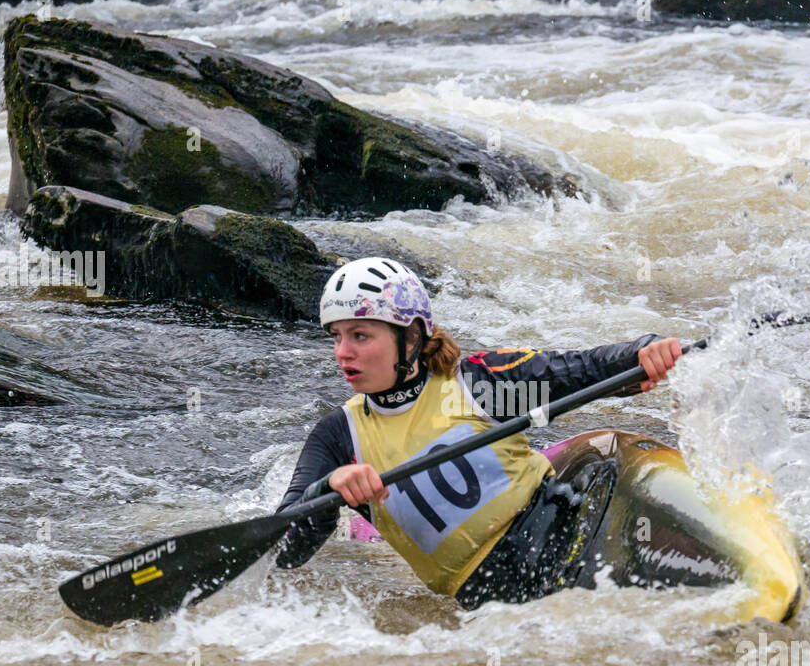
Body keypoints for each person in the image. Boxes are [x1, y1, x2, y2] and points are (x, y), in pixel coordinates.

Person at [272, 257, 683, 608]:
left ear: (411, 337)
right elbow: (285, 549)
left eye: (360, 335)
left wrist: (643, 351)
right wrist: (326, 491)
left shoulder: (477, 384)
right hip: (491, 608)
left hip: (577, 542)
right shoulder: (338, 437)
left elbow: (582, 370)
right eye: (337, 336)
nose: (343, 351)